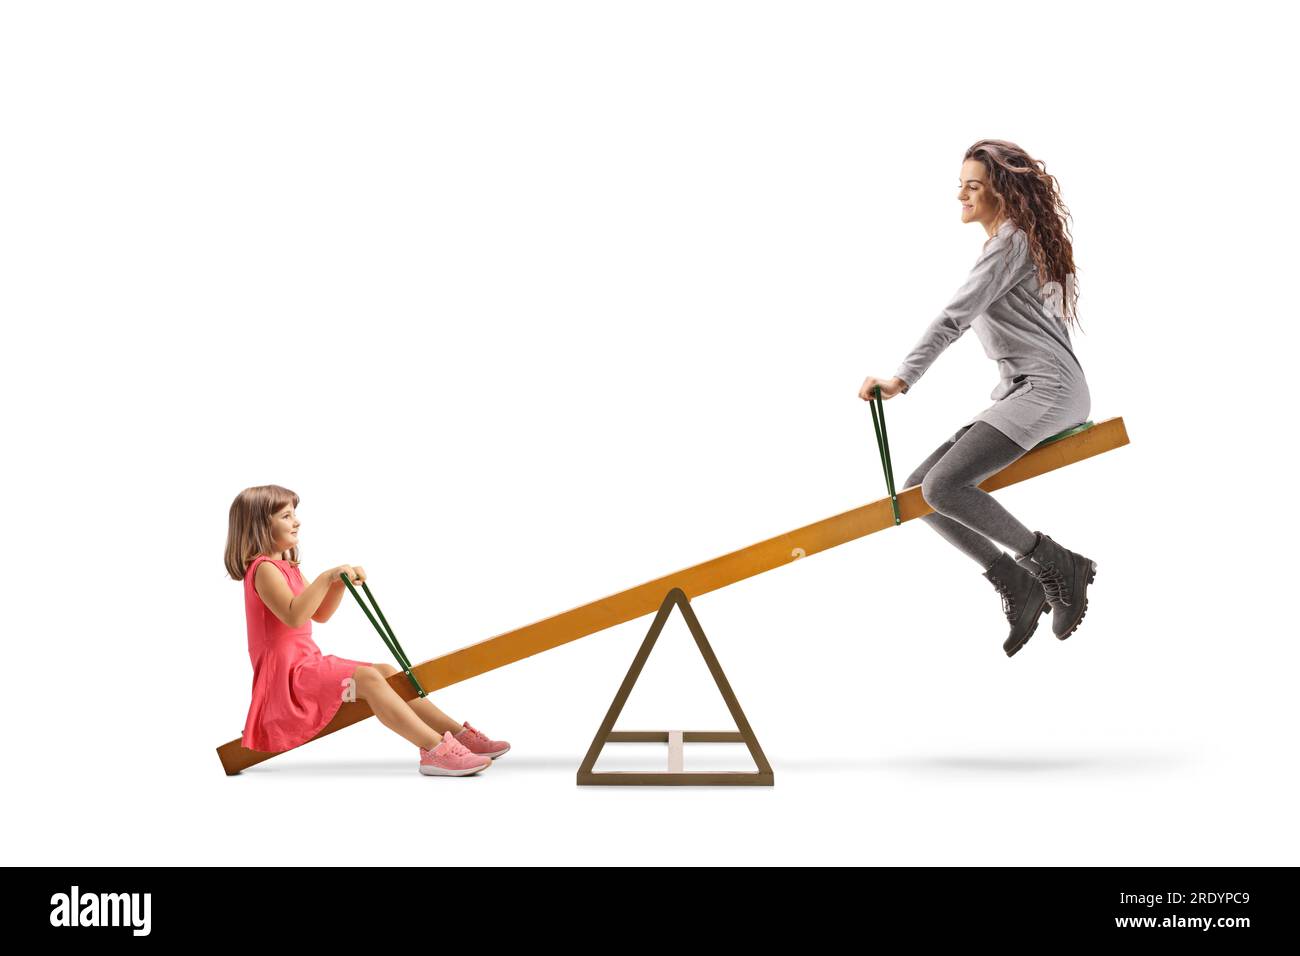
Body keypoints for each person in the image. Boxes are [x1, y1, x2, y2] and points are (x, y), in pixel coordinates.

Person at [857, 139, 1097, 658]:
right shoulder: (1018, 243)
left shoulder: (1008, 245)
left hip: (1046, 390)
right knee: (922, 490)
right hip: (1034, 389)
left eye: (973, 186)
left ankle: (1055, 563)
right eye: (960, 185)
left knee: (945, 485)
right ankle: (1017, 580)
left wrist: (902, 379)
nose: (961, 196)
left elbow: (953, 318)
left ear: (1003, 193)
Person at [224, 484, 510, 775]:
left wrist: (337, 584)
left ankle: (457, 735)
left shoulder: (286, 566)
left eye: (294, 514)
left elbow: (319, 614)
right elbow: (295, 616)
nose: (296, 521)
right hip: (286, 681)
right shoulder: (263, 569)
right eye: (286, 516)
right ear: (260, 524)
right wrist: (326, 577)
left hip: (306, 666)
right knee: (369, 679)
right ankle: (435, 749)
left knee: (385, 671)